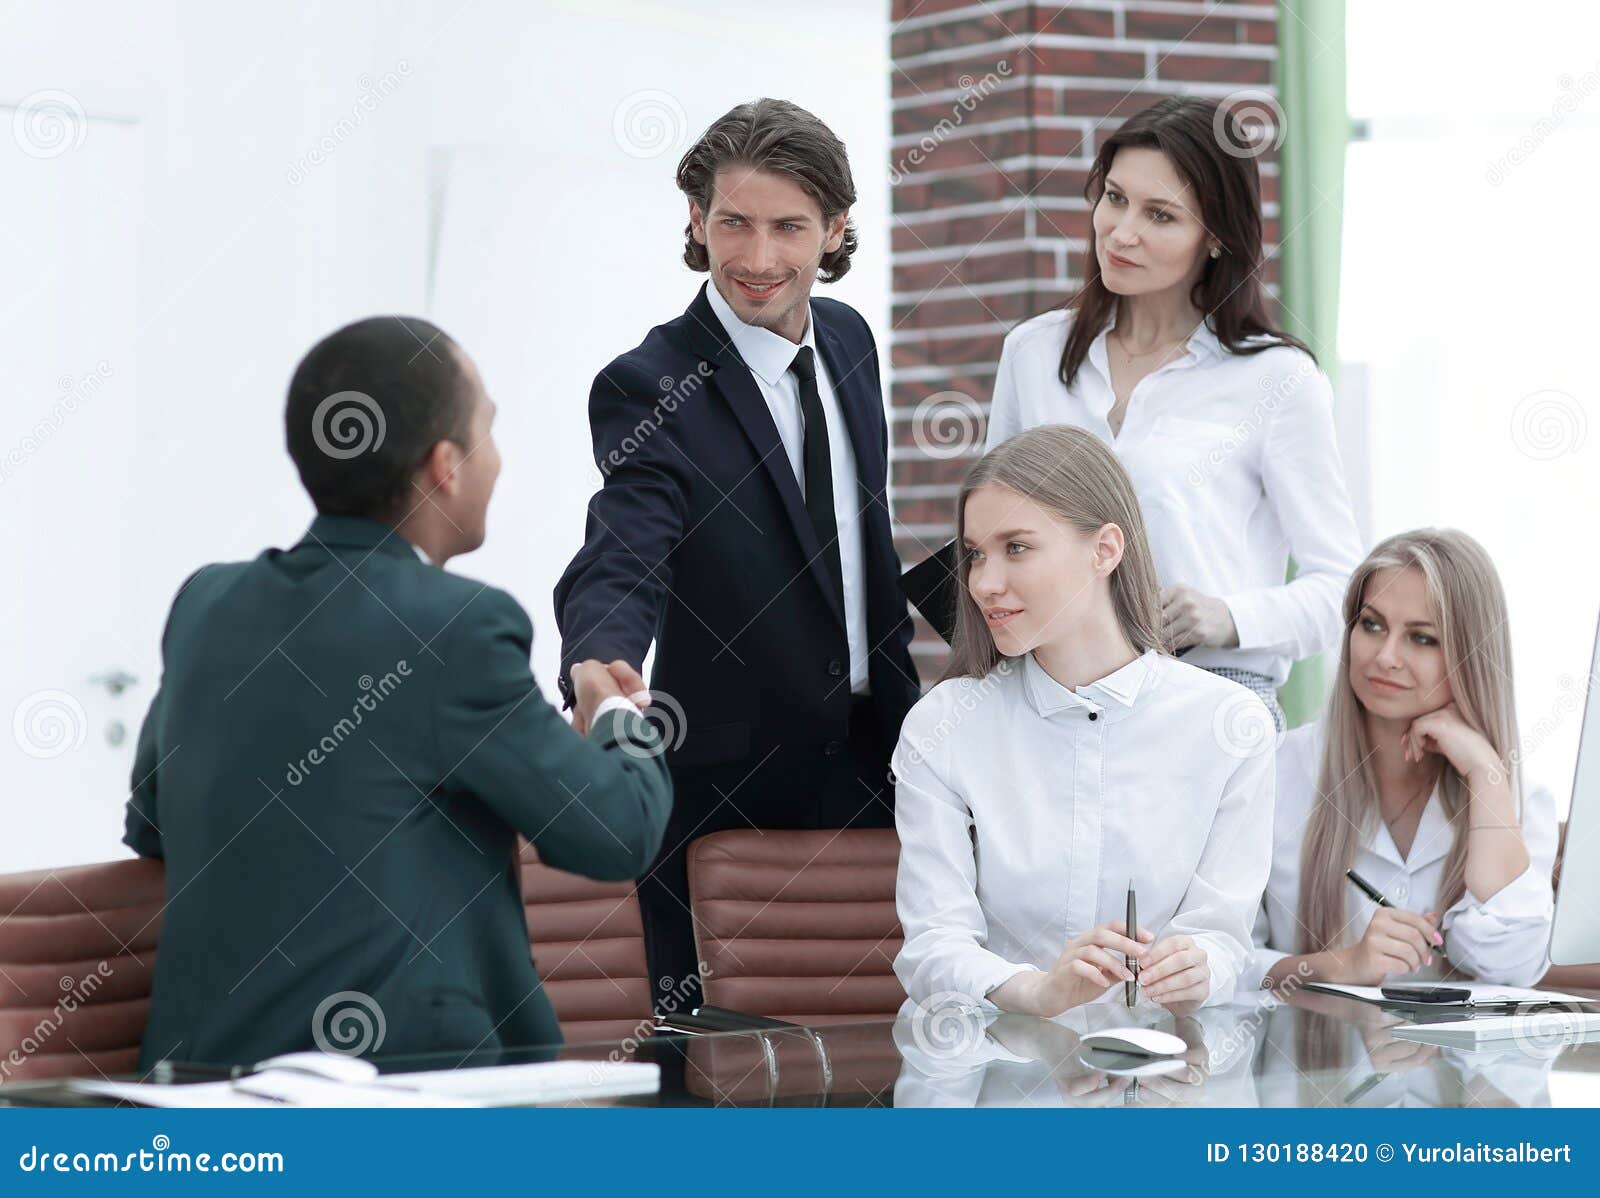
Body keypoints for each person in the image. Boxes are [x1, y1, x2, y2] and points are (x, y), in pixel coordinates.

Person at [124, 316, 671, 1068]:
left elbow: (152, 820)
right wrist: (613, 711)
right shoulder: (457, 629)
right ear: (445, 464)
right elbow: (617, 832)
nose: (498, 459)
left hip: (197, 1085)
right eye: (489, 431)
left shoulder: (210, 605)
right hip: (404, 1095)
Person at [554, 99, 920, 1008]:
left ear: (835, 229)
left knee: (881, 1056)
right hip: (725, 790)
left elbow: (847, 543)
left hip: (876, 771)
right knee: (713, 1078)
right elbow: (625, 541)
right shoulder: (649, 382)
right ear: (696, 221)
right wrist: (599, 662)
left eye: (789, 227)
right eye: (734, 224)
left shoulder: (850, 344)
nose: (757, 260)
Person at [982, 96, 1362, 729]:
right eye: (1114, 197)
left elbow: (1343, 589)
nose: (1122, 231)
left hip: (1208, 702)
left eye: (1160, 214)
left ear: (1215, 239)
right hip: (1044, 700)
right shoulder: (1032, 353)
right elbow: (989, 538)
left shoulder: (1277, 379)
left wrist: (1231, 616)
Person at [892, 424, 1275, 1017]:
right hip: (995, 1085)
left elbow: (1224, 939)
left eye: (1016, 547)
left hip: (1165, 1081)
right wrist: (1042, 992)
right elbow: (933, 946)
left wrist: (1202, 966)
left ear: (1105, 549)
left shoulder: (1229, 724)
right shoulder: (943, 726)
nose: (983, 584)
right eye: (975, 555)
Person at [1245, 529, 1558, 993]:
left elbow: (1514, 968)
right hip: (1304, 1063)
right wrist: (1342, 965)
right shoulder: (1271, 772)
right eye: (1371, 625)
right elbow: (1220, 967)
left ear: (1472, 656)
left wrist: (1484, 773)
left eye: (1422, 638)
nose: (1386, 657)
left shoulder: (1514, 797)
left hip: (1457, 1067)